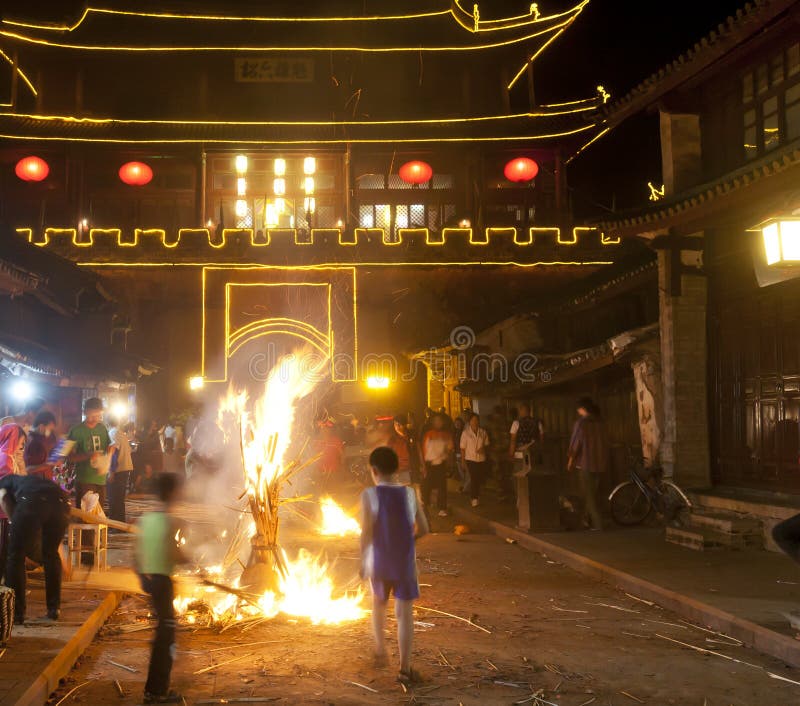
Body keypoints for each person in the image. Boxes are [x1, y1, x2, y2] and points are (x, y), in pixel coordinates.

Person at [360, 446, 429, 686]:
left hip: (379, 563)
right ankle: (404, 669)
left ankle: (380, 649)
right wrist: (408, 541)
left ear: (374, 470)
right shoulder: (410, 494)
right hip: (404, 563)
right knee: (404, 615)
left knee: (378, 606)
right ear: (397, 469)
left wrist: (362, 561)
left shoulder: (369, 495)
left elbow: (366, 532)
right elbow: (424, 528)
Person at [135, 473, 186, 704]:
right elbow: (175, 554)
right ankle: (156, 692)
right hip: (163, 584)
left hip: (152, 582)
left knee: (162, 635)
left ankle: (156, 689)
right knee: (165, 638)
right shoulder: (169, 522)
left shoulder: (146, 519)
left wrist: (142, 578)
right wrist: (191, 561)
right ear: (172, 494)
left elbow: (134, 555)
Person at [0, 473, 70, 624]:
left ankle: (17, 613)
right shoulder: (28, 480)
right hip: (61, 504)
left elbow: (3, 498)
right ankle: (54, 609)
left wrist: (15, 523)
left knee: (15, 556)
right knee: (51, 555)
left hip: (32, 503)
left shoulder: (4, 482)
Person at [566, 398, 609, 531]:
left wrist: (570, 462)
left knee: (589, 496)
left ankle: (598, 525)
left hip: (585, 464)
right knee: (594, 494)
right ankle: (586, 521)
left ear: (582, 409)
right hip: (601, 464)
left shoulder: (581, 423)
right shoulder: (601, 423)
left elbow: (575, 444)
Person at [68, 397, 115, 509]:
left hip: (101, 479)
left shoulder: (102, 428)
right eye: (92, 416)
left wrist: (111, 450)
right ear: (84, 412)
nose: (95, 419)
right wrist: (88, 455)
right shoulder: (76, 430)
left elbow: (108, 447)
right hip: (85, 480)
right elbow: (69, 457)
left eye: (98, 416)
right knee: (85, 517)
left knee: (98, 516)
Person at [0, 424, 26, 582]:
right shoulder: (5, 458)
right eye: (20, 442)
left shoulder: (9, 457)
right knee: (5, 554)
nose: (21, 447)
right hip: (4, 514)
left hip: (6, 513)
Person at [421, 414, 454, 517]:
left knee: (442, 487)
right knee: (426, 487)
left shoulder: (446, 435)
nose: (438, 423)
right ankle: (424, 506)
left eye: (440, 421)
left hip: (440, 464)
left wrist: (447, 457)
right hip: (429, 464)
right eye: (436, 421)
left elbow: (450, 448)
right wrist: (423, 465)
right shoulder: (428, 434)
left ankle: (442, 508)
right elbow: (423, 450)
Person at [108, 417, 134, 523]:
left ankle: (114, 524)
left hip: (118, 470)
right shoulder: (121, 434)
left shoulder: (112, 433)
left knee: (114, 498)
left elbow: (114, 453)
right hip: (125, 468)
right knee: (119, 498)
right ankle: (120, 523)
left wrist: (111, 471)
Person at [461, 413, 490, 507]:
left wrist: (483, 449)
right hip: (470, 459)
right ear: (469, 422)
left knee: (478, 478)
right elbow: (462, 448)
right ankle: (474, 498)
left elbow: (487, 444)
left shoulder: (483, 432)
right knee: (473, 478)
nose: (475, 422)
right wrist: (462, 460)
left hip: (481, 459)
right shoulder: (465, 433)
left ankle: (476, 495)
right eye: (473, 420)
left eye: (476, 420)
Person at [488, 406, 512, 500]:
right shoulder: (506, 423)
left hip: (497, 452)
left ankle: (501, 492)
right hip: (504, 452)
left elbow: (490, 438)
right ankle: (503, 492)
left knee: (498, 473)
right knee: (504, 472)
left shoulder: (493, 424)